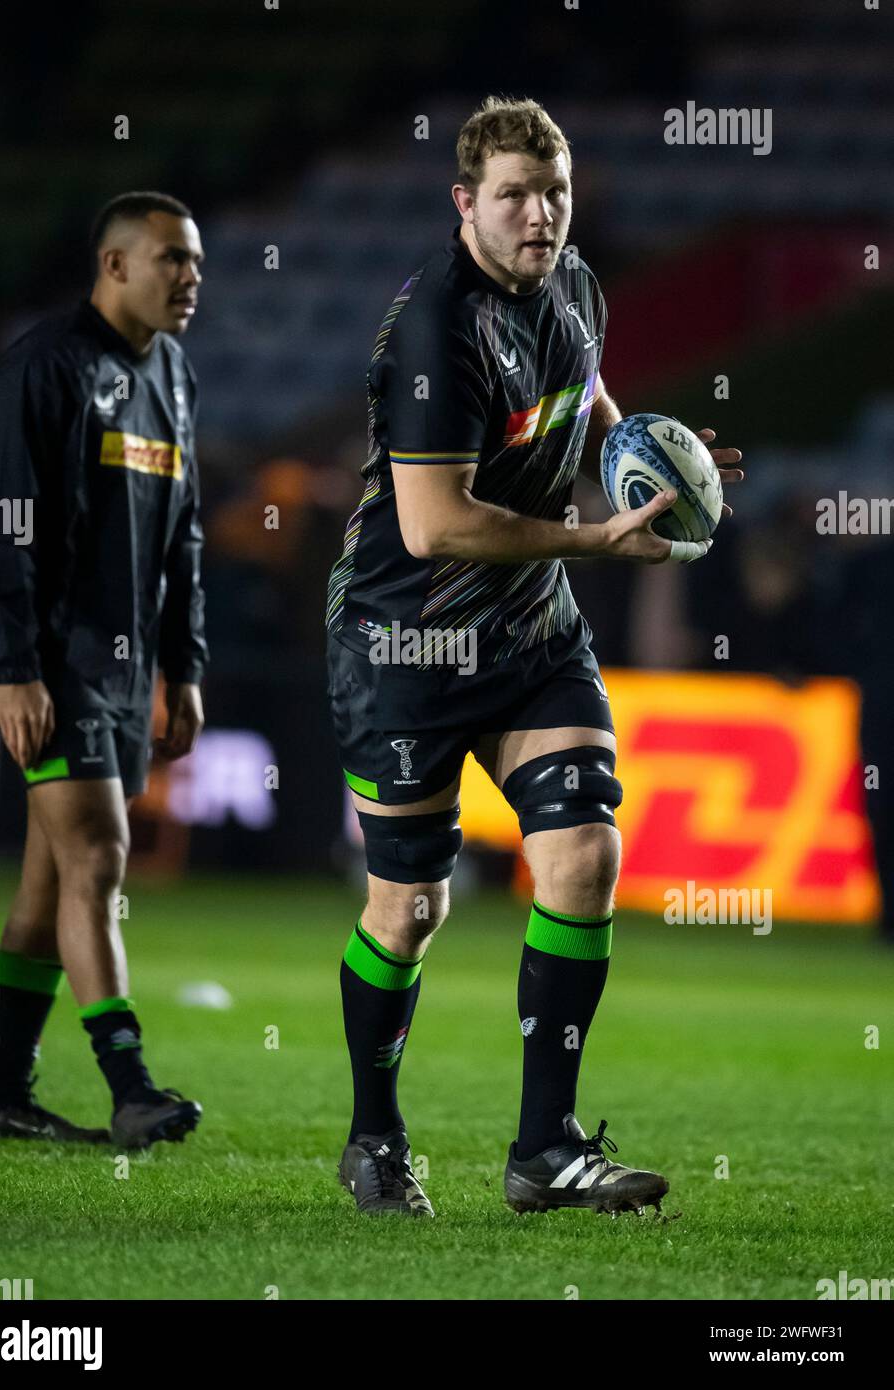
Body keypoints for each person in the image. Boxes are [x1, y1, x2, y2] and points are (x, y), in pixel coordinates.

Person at [325, 97, 743, 1216]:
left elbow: (588, 400)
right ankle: (374, 1136)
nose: (540, 213)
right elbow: (433, 524)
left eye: (554, 189)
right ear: (465, 202)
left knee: (585, 858)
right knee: (407, 910)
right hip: (407, 639)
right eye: (514, 193)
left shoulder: (577, 287)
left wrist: (651, 459)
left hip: (529, 634)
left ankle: (544, 1149)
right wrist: (590, 538)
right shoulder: (435, 325)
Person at [0, 191, 209, 1149]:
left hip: (124, 666)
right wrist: (13, 665)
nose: (191, 278)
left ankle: (2, 1092)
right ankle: (129, 1082)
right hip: (54, 662)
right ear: (113, 266)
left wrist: (183, 663)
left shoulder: (175, 374)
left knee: (45, 888)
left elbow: (184, 532)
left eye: (195, 262)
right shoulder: (44, 364)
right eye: (170, 260)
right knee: (101, 855)